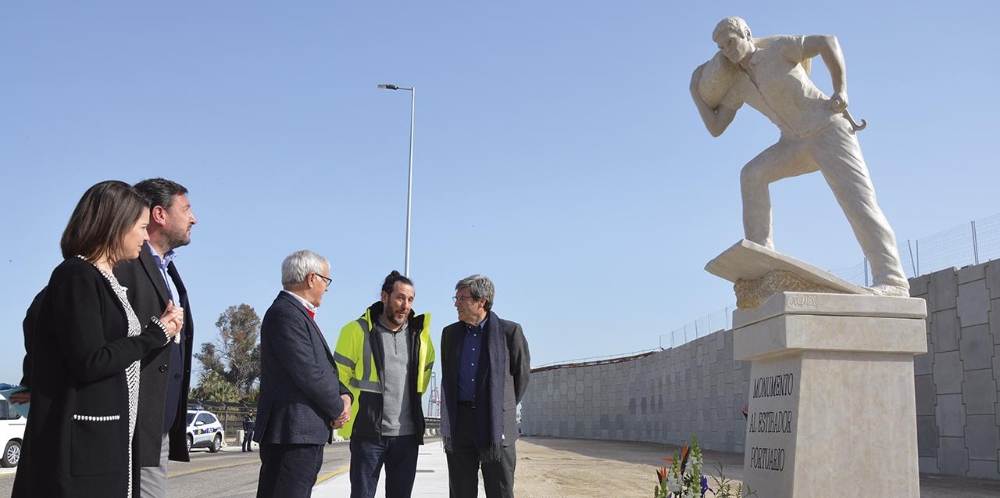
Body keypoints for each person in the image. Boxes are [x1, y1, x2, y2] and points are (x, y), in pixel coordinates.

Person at [689, 16, 909, 296]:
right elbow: (716, 127)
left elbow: (827, 41)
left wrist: (841, 89)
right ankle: (763, 259)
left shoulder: (778, 49)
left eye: (731, 42)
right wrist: (695, 93)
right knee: (752, 174)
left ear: (747, 34)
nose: (727, 51)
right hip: (793, 143)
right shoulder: (738, 83)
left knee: (858, 203)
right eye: (722, 48)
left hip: (828, 129)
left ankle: (893, 280)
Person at [12, 180, 183, 498]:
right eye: (141, 227)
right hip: (82, 448)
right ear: (116, 226)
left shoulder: (105, 280)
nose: (145, 237)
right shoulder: (76, 275)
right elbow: (91, 360)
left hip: (104, 442)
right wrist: (155, 334)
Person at [114, 178, 198, 498]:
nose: (194, 218)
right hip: (129, 422)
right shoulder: (124, 263)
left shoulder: (169, 270)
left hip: (158, 423)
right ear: (160, 214)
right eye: (186, 209)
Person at [254, 250, 353, 498]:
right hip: (291, 435)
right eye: (326, 280)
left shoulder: (297, 314)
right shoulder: (285, 314)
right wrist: (337, 409)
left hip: (304, 434)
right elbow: (307, 372)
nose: (326, 288)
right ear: (311, 278)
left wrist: (345, 394)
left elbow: (322, 368)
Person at [334, 271, 435, 498]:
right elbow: (338, 377)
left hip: (407, 436)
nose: (405, 305)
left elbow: (424, 378)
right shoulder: (356, 331)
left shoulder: (421, 337)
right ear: (384, 297)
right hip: (368, 433)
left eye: (410, 300)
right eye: (400, 298)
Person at [440, 275, 530, 498]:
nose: (456, 303)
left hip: (496, 424)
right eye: (456, 298)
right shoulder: (449, 334)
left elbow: (521, 377)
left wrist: (500, 406)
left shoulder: (509, 332)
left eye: (462, 298)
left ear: (482, 301)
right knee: (460, 491)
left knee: (500, 491)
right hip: (460, 423)